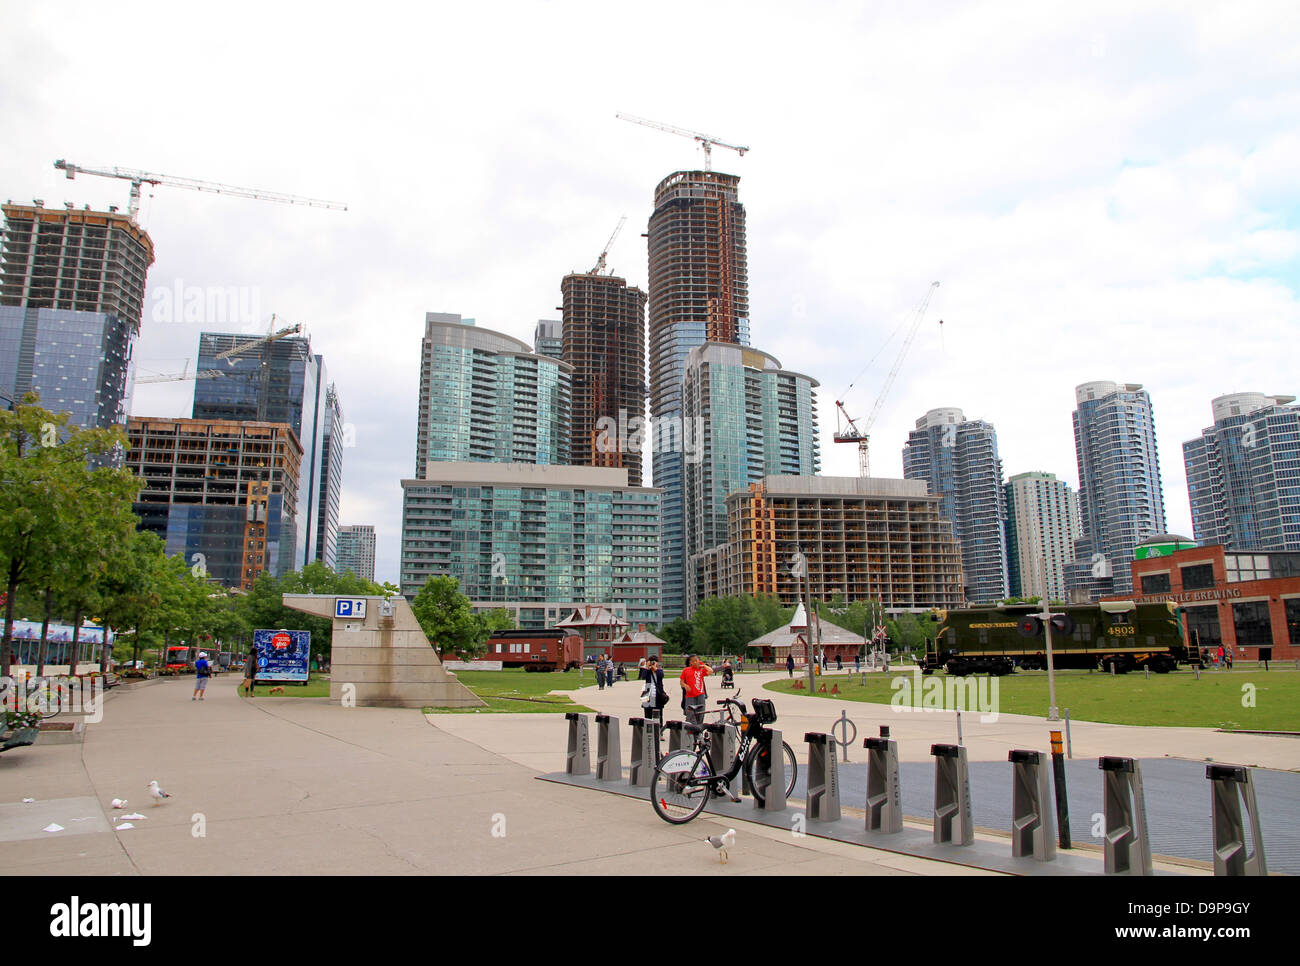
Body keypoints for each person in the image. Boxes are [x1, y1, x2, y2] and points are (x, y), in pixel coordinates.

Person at [680, 654, 713, 726]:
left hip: (700, 695)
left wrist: (704, 666)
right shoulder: (686, 670)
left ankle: (699, 729)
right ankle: (693, 729)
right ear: (690, 662)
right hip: (690, 696)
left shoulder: (701, 670)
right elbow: (681, 682)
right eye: (693, 661)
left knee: (701, 713)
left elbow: (711, 671)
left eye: (696, 660)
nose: (695, 662)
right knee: (691, 714)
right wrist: (685, 685)